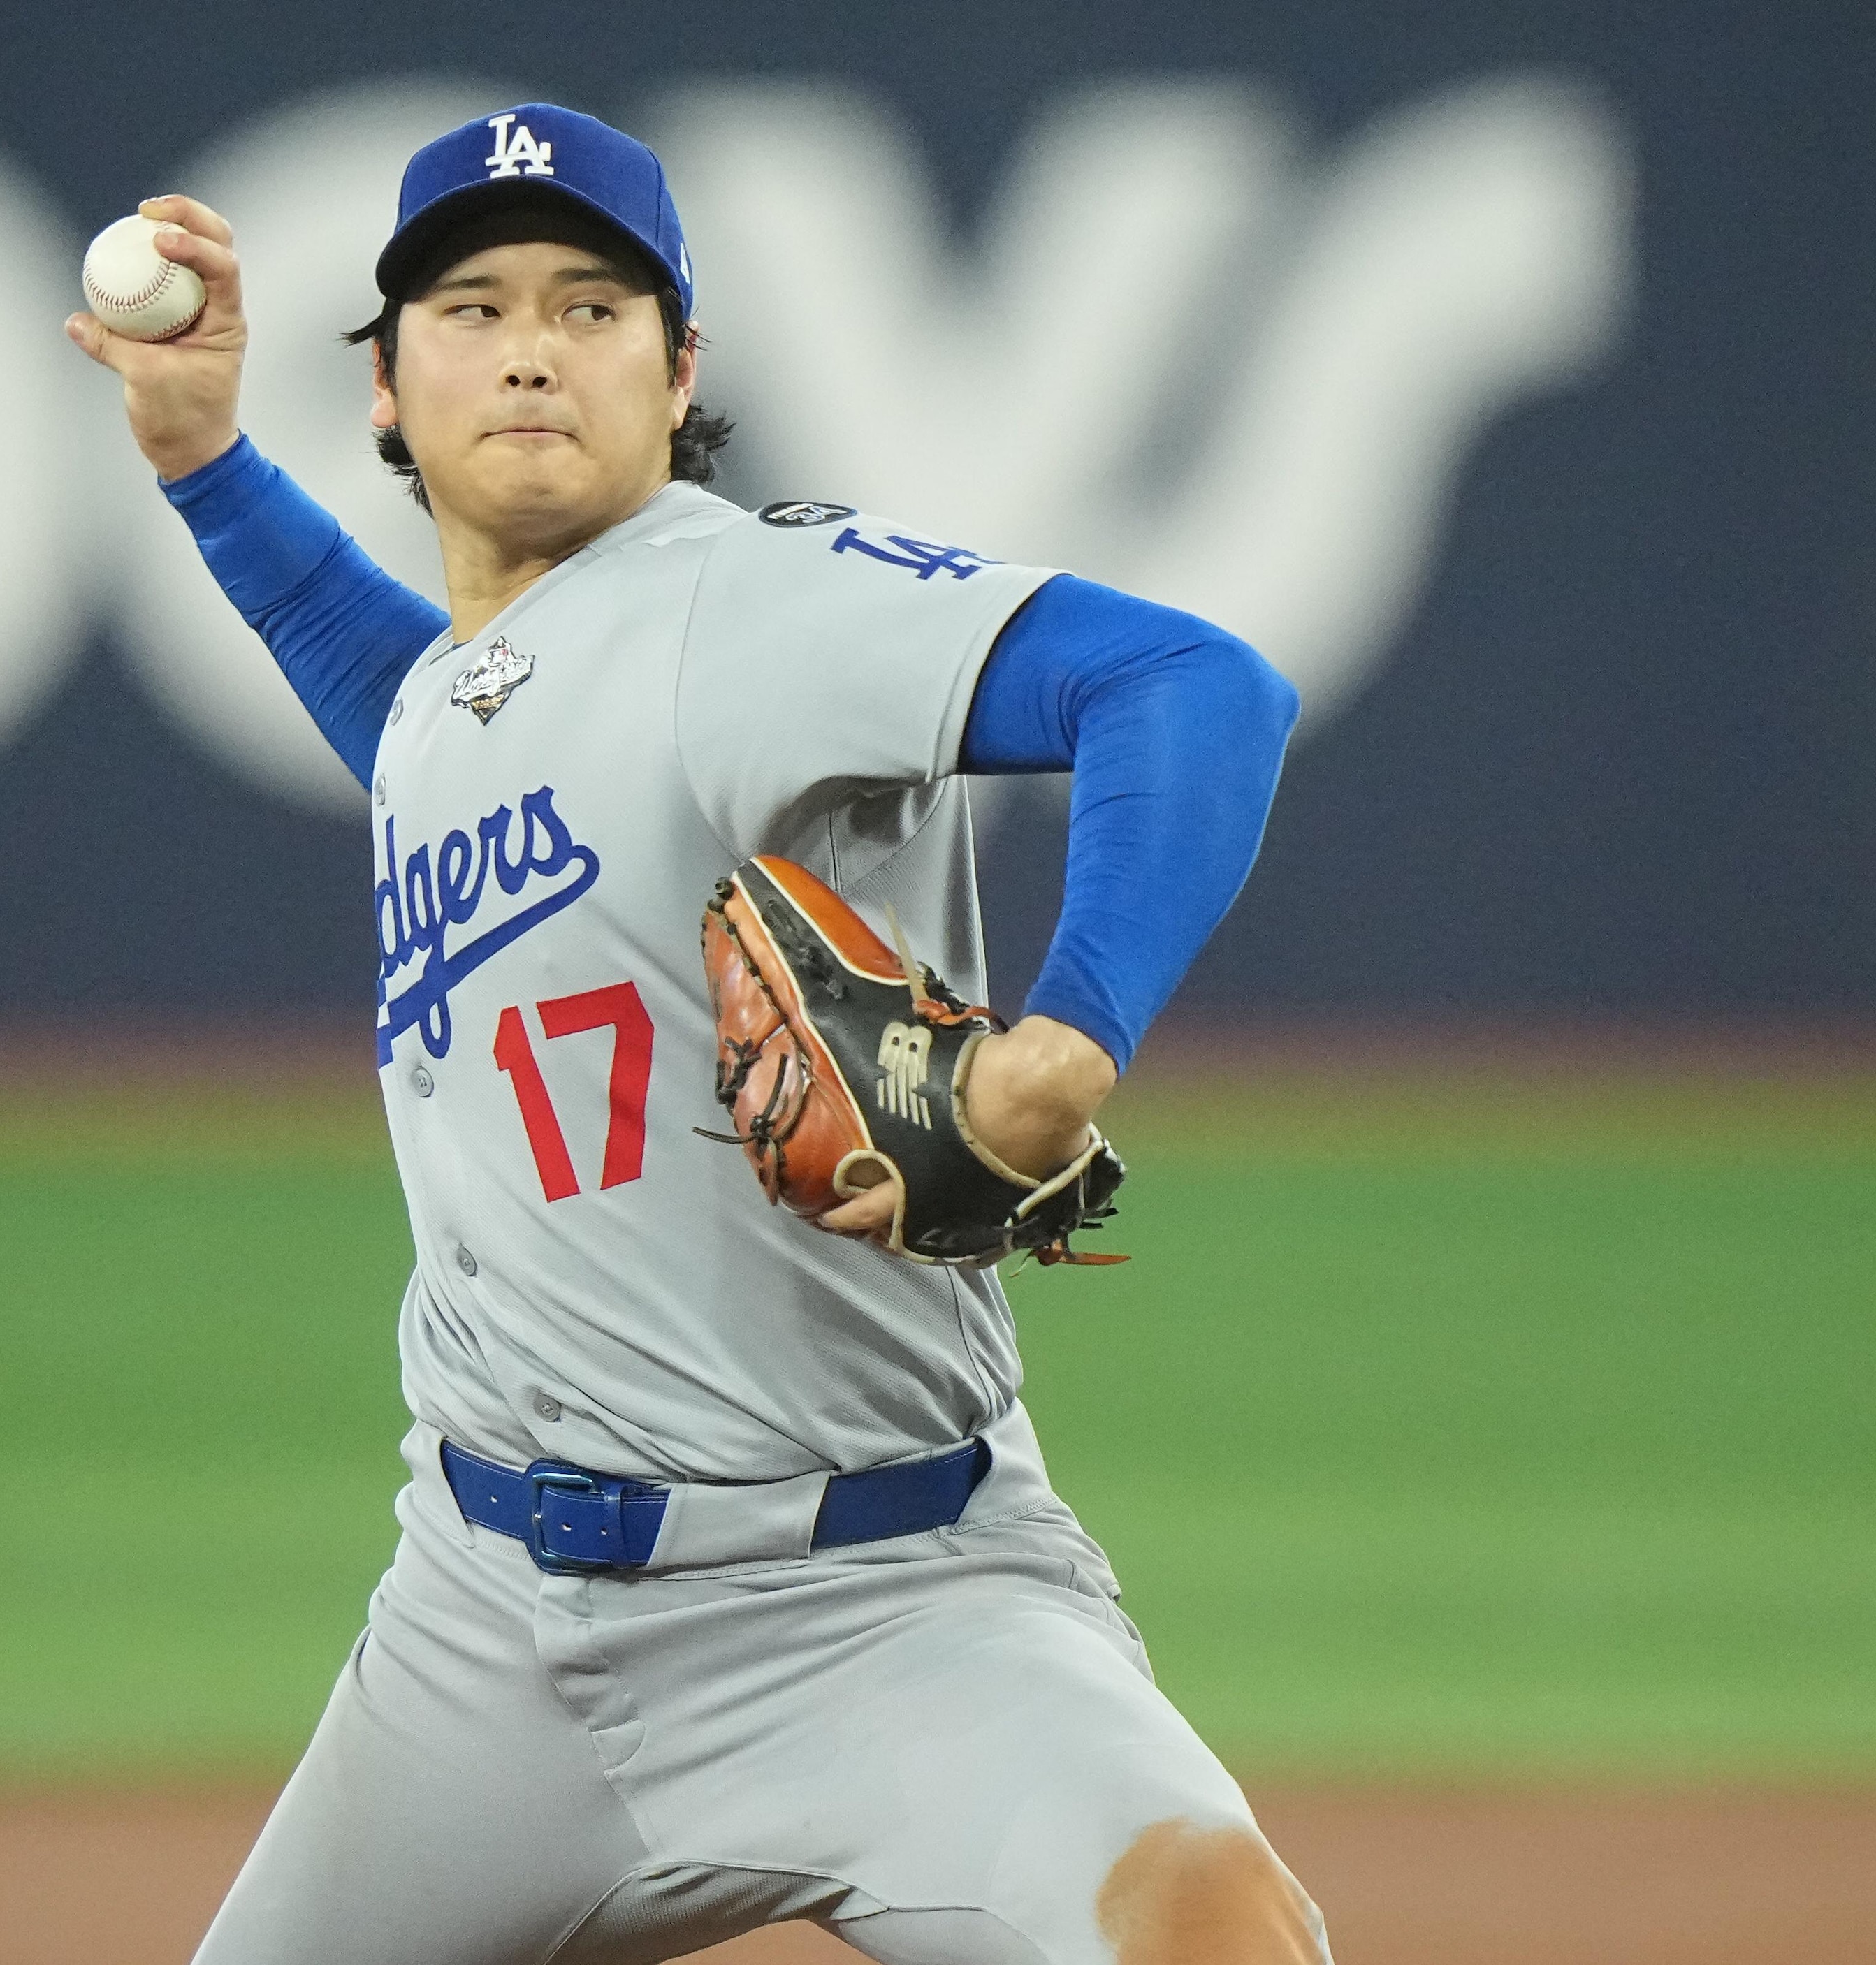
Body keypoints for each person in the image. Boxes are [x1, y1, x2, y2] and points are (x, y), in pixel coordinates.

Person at [67, 102, 1323, 1965]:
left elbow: (1193, 684)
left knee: (1209, 1936)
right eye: (471, 306)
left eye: (592, 307)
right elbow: (429, 726)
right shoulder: (473, 689)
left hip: (889, 1603)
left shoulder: (760, 599)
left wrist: (1068, 1040)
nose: (528, 345)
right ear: (391, 392)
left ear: (682, 373)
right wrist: (205, 468)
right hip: (484, 1636)